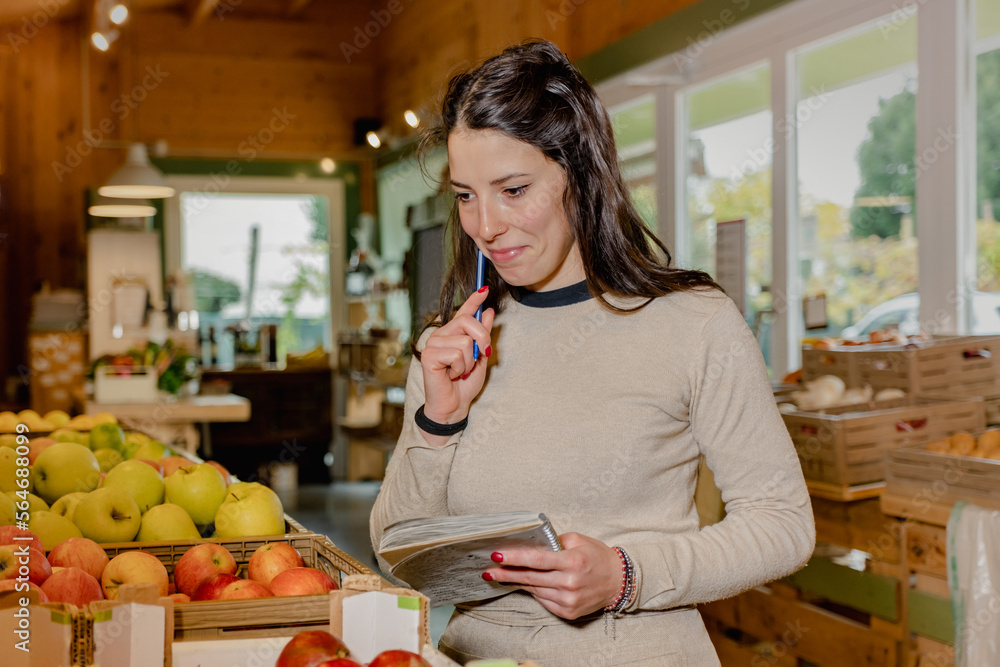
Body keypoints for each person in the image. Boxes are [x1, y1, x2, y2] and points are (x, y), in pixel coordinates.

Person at [370, 39, 815, 666]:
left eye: (514, 189)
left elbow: (783, 525)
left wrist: (626, 574)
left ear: (579, 175)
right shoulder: (455, 341)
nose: (485, 225)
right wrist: (437, 423)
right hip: (473, 655)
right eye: (466, 195)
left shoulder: (692, 323)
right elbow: (397, 555)